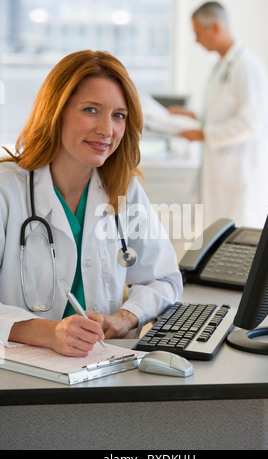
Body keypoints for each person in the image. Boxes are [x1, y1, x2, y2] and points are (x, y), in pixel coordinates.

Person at [0, 50, 183, 357]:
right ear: (55, 112)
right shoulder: (7, 189)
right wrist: (49, 332)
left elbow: (163, 278)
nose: (106, 130)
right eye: (91, 110)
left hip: (102, 368)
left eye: (118, 115)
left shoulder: (123, 188)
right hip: (18, 379)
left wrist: (125, 318)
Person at [169, 2, 268, 229]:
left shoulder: (248, 67)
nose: (196, 40)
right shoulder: (223, 66)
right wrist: (195, 116)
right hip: (222, 175)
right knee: (217, 237)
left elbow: (250, 123)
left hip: (241, 177)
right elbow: (225, 115)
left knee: (238, 240)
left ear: (215, 27)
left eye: (198, 33)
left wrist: (203, 134)